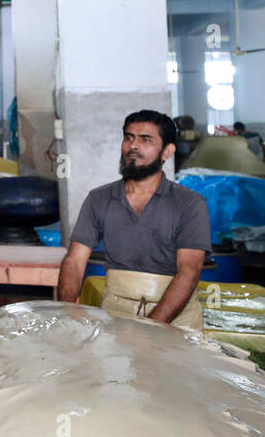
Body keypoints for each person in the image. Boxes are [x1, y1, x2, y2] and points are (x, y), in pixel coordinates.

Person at [56, 110, 210, 329]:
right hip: (117, 314)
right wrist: (67, 313)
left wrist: (151, 328)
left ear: (167, 151)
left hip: (176, 321)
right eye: (129, 138)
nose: (133, 146)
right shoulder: (99, 199)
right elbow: (74, 261)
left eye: (145, 140)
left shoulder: (190, 204)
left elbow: (189, 273)